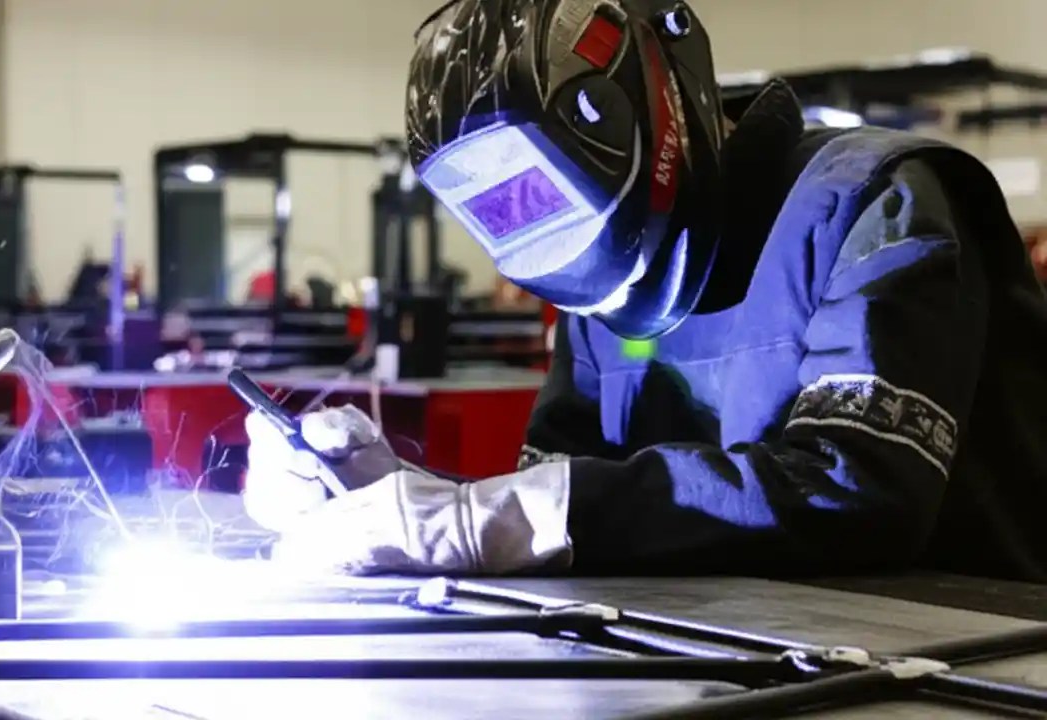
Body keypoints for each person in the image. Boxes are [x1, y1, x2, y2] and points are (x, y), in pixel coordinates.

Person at [243, 0, 1047, 582]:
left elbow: (857, 494)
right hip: (754, 661)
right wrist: (400, 500)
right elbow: (579, 506)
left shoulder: (877, 204)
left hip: (973, 666)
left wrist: (495, 519)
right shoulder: (605, 306)